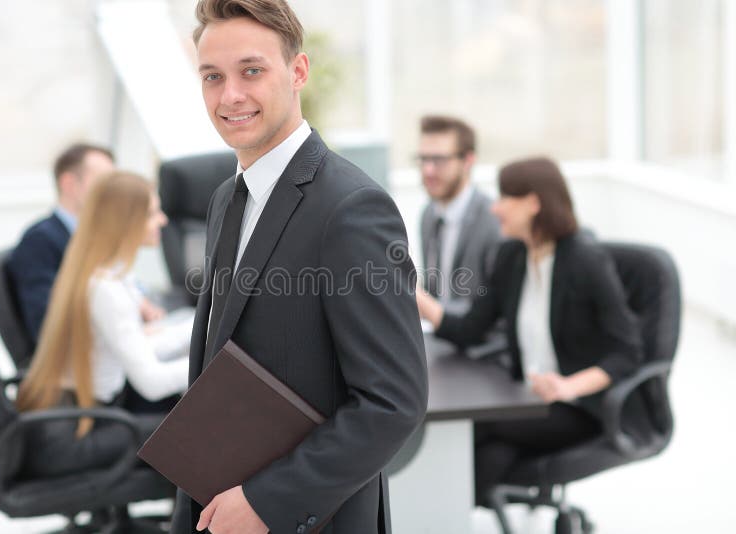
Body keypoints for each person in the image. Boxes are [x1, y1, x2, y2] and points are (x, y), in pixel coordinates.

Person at [172, 1, 429, 533]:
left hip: (309, 519)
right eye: (212, 77)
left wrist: (268, 501)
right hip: (219, 503)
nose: (230, 95)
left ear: (298, 72)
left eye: (251, 71)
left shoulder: (352, 207)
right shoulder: (227, 197)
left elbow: (392, 403)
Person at [416, 157, 643, 506]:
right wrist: (418, 299)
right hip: (525, 400)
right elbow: (472, 329)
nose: (495, 208)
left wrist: (568, 386)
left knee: (471, 429)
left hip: (578, 406)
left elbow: (628, 351)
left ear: (534, 203)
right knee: (488, 460)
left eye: (505, 197)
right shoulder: (511, 258)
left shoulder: (585, 260)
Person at [15, 171, 189, 477]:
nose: (162, 220)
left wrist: (203, 326)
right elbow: (152, 383)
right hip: (77, 431)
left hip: (73, 413)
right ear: (124, 223)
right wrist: (209, 364)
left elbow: (134, 343)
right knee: (201, 431)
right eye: (151, 213)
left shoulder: (103, 273)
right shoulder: (106, 290)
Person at [7, 143, 165, 346]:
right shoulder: (39, 241)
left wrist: (140, 305)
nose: (113, 190)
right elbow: (47, 324)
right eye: (104, 180)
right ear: (69, 184)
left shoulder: (101, 236)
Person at [418, 115, 500, 314]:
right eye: (423, 159)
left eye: (439, 160)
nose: (428, 170)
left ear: (468, 161)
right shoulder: (428, 215)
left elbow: (492, 313)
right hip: (437, 338)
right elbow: (434, 291)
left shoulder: (494, 221)